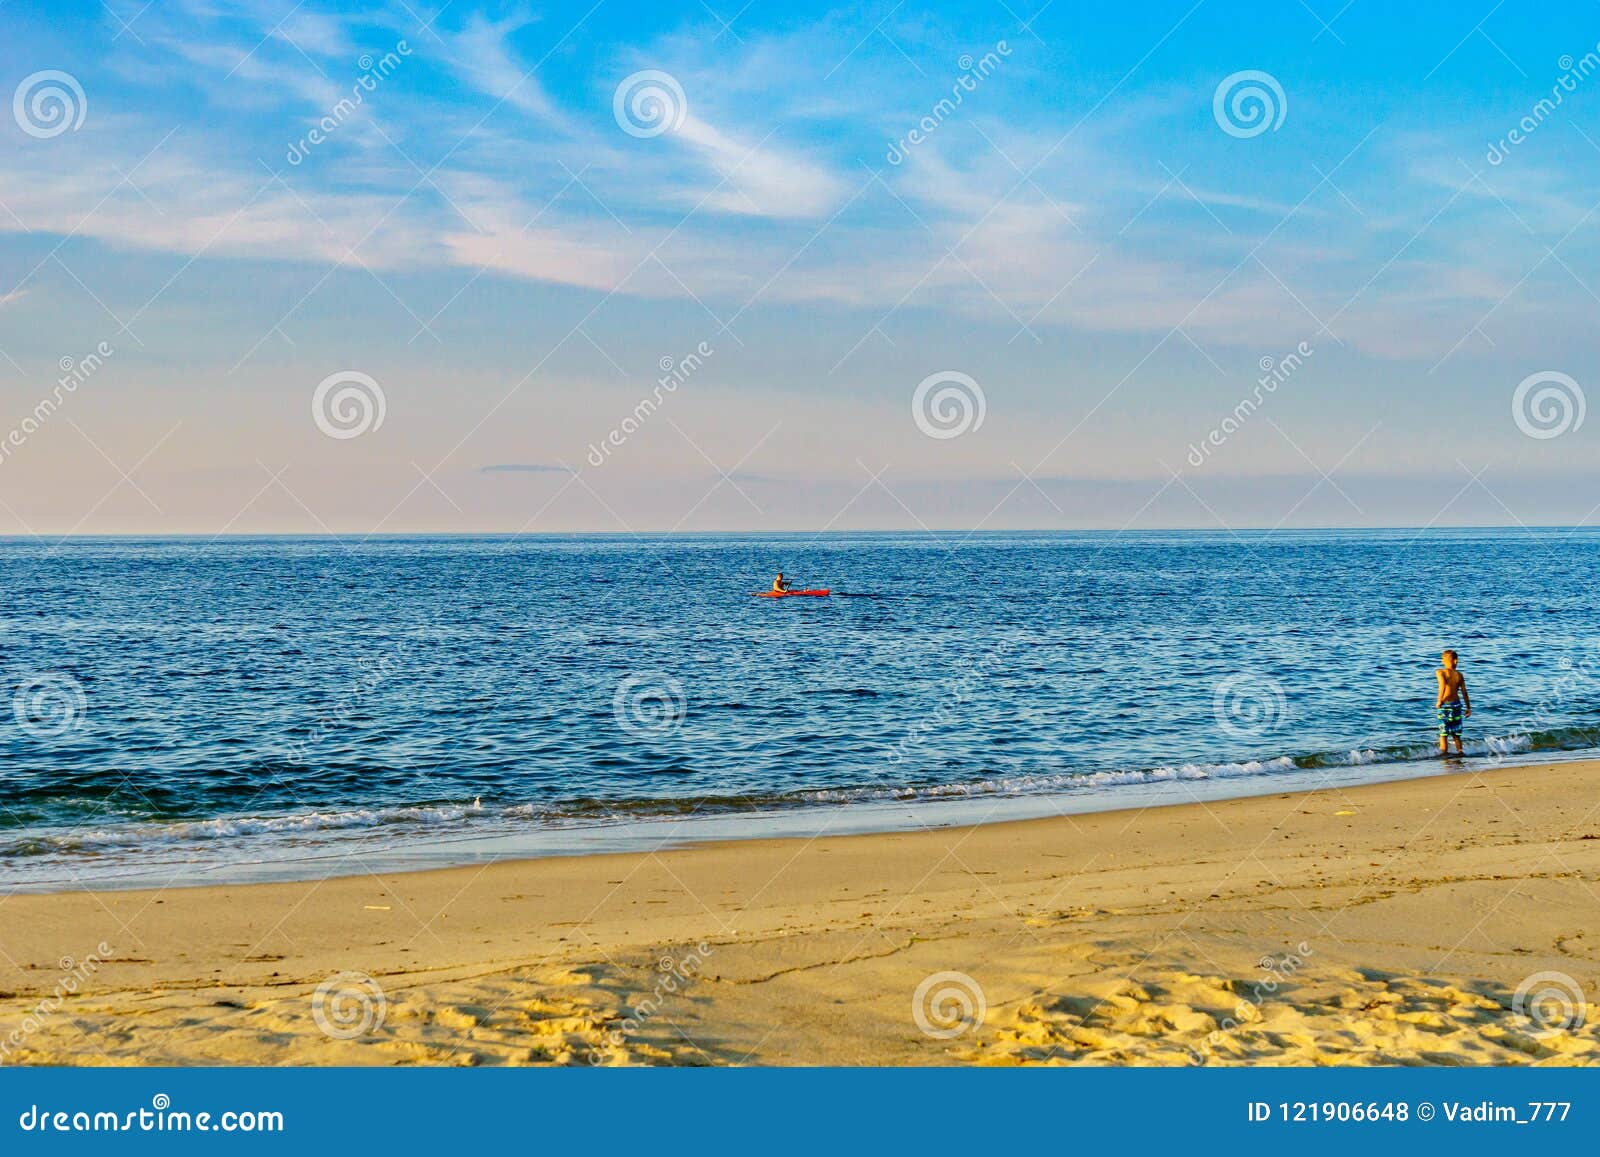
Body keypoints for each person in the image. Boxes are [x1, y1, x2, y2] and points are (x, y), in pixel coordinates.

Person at [1435, 649, 1471, 755]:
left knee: (1443, 733)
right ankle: (1460, 752)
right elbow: (1464, 692)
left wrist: (1439, 700)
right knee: (1456, 734)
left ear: (1444, 661)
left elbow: (1442, 686)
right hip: (1456, 706)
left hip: (1445, 706)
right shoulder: (1459, 675)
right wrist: (1468, 708)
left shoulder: (1440, 672)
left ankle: (1444, 754)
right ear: (1455, 661)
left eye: (1443, 659)